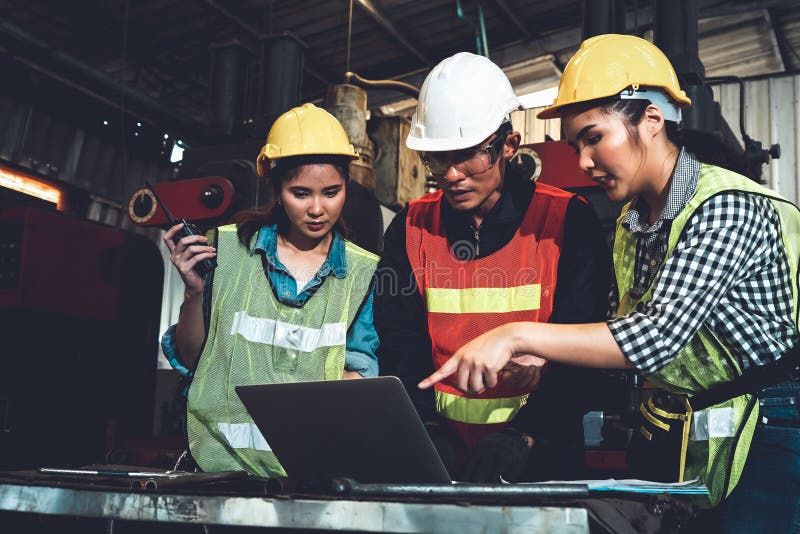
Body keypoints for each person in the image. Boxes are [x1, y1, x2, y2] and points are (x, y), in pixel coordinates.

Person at [419, 34, 800, 524]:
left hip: (770, 424)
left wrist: (515, 335)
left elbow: (655, 337)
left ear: (652, 120)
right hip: (690, 424)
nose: (582, 162)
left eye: (595, 137)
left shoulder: (724, 206)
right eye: (577, 145)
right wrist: (542, 359)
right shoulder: (633, 221)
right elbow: (623, 329)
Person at [374, 51, 612, 483]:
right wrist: (425, 428)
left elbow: (585, 346)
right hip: (437, 458)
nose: (451, 175)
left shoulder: (565, 220)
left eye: (467, 156)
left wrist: (529, 434)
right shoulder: (411, 225)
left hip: (542, 457)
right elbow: (399, 345)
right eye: (436, 159)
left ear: (508, 145)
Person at [160, 103, 379, 477]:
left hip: (309, 472)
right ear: (276, 189)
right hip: (218, 469)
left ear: (346, 187)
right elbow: (196, 359)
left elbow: (361, 374)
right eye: (300, 192)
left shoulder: (361, 272)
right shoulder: (228, 250)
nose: (317, 208)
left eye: (331, 192)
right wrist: (194, 296)